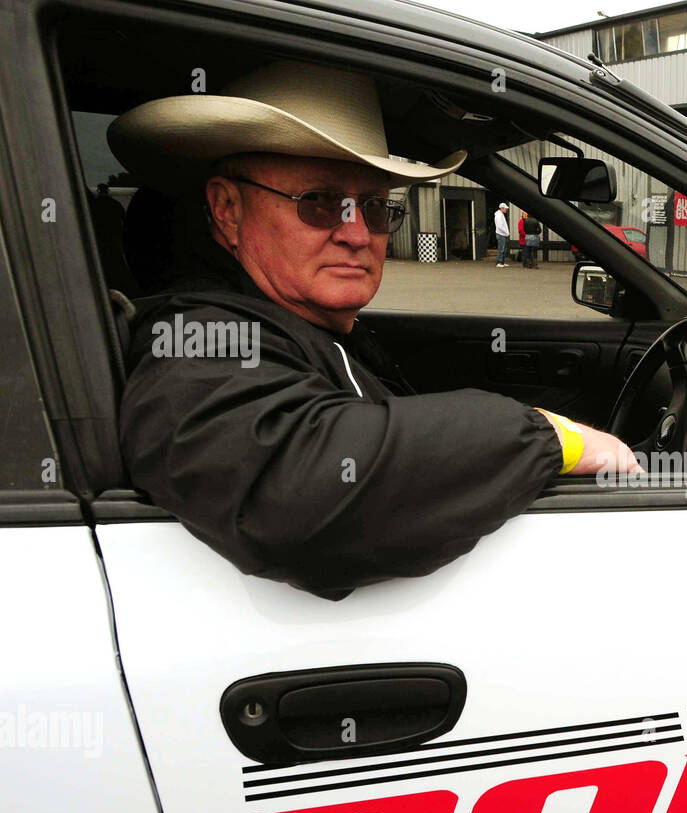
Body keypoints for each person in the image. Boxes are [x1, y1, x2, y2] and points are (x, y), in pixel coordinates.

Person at [106, 59, 641, 599]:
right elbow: (287, 489)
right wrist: (553, 438)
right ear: (227, 209)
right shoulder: (198, 336)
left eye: (375, 207)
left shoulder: (303, 327)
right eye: (317, 202)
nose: (358, 233)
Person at [493, 202, 511, 266]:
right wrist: (506, 232)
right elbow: (500, 226)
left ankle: (502, 261)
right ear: (502, 208)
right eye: (505, 208)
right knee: (501, 248)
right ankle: (499, 262)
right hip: (501, 234)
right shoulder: (499, 216)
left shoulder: (500, 215)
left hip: (503, 234)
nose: (506, 209)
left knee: (503, 248)